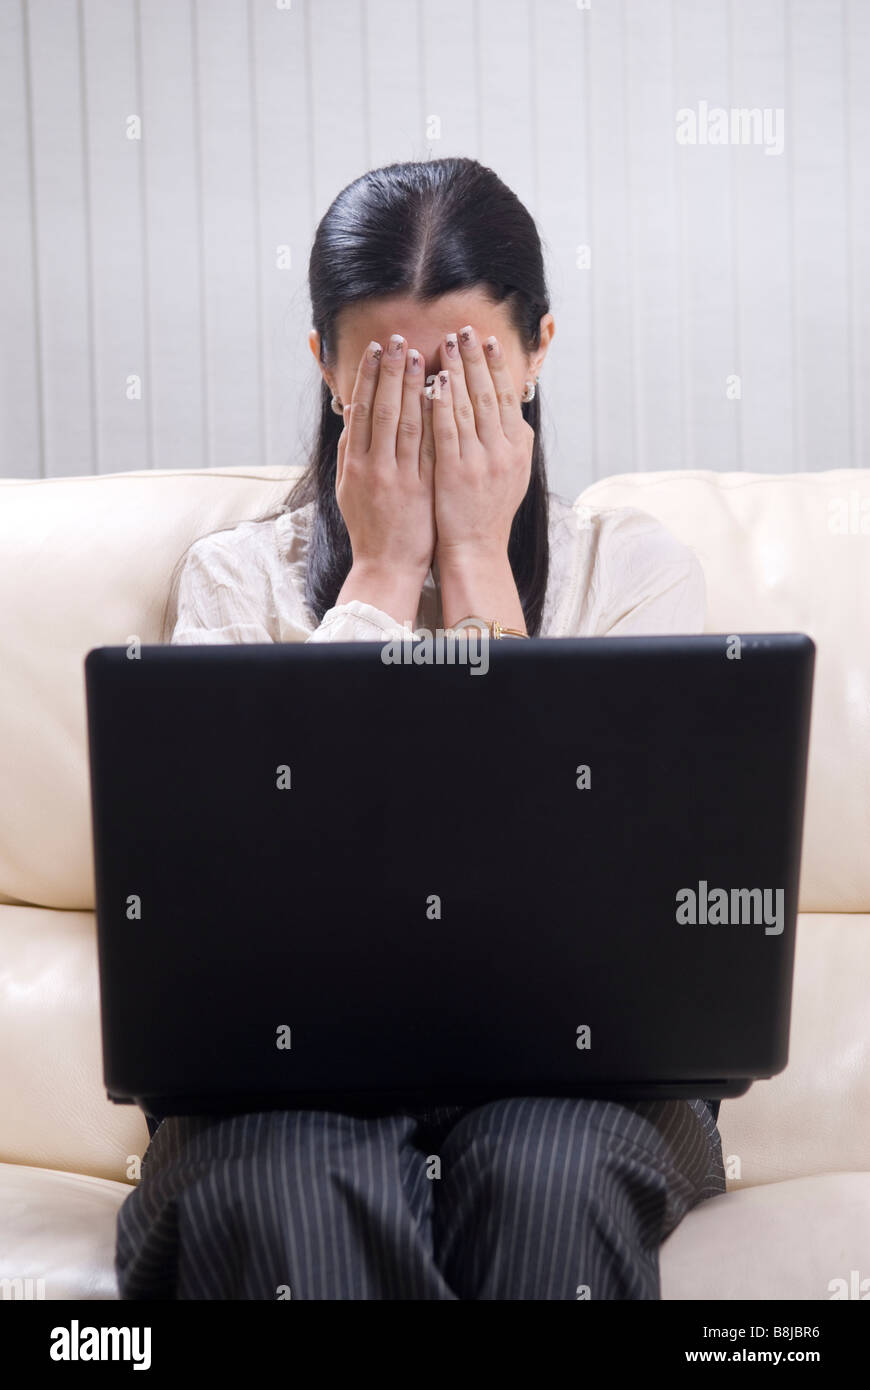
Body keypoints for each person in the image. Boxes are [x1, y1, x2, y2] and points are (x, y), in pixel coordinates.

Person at [117, 157, 725, 1301]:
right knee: (280, 1187)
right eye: (389, 378)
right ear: (326, 370)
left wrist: (484, 565)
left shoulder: (631, 577)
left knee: (543, 1176)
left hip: (580, 1082)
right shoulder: (236, 586)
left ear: (539, 349)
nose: (430, 412)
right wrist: (386, 575)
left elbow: (596, 891)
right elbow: (233, 898)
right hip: (286, 1083)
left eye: (466, 371)